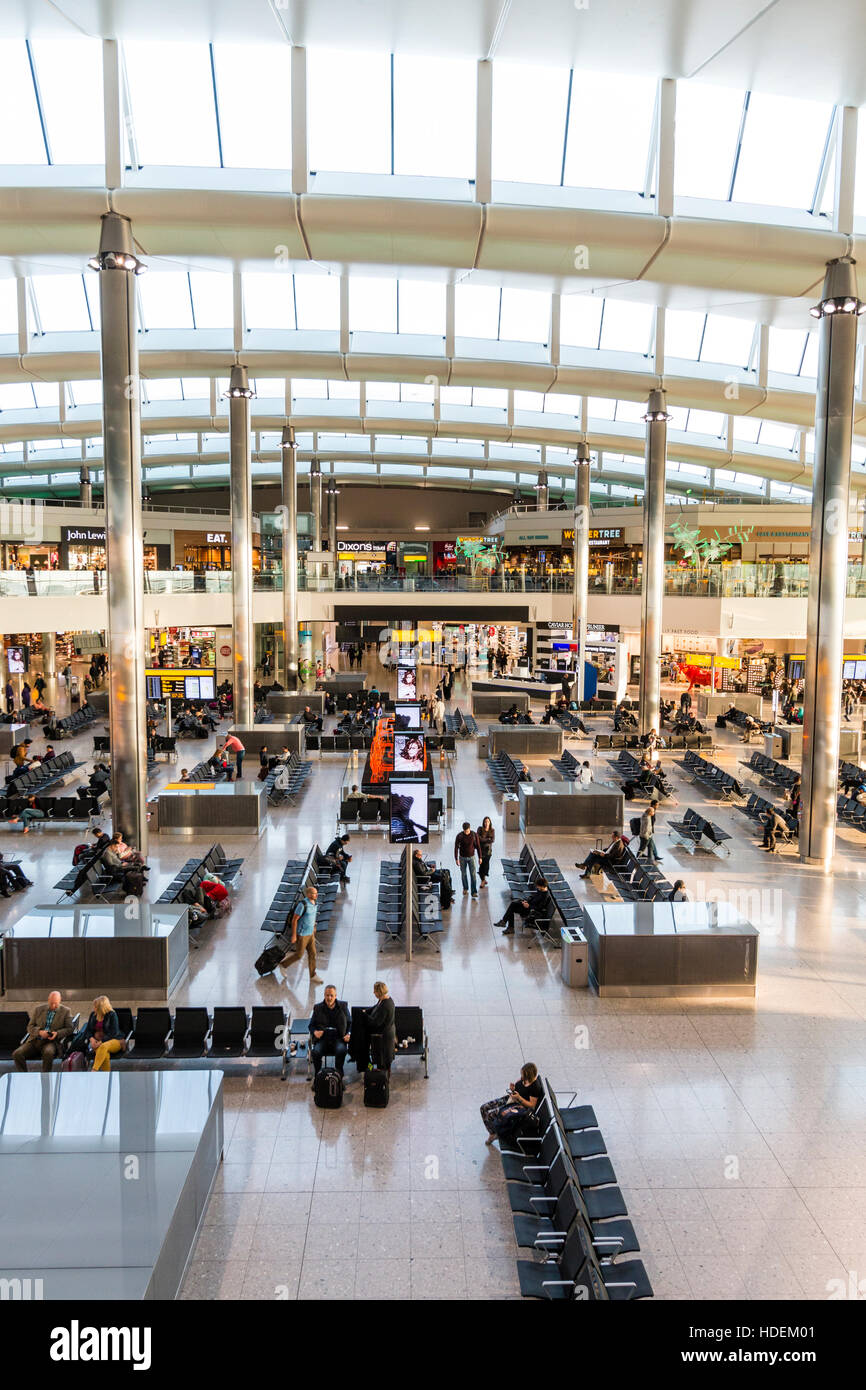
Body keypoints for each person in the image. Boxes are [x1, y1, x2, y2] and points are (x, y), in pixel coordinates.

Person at [483, 1062, 543, 1147]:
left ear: (529, 1075)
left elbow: (532, 1105)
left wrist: (519, 1098)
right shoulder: (523, 1079)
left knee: (491, 1115)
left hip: (518, 1105)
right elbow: (519, 1089)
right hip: (512, 1098)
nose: (521, 1076)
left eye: (523, 1075)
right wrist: (513, 1089)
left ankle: (495, 1133)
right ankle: (493, 1132)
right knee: (484, 1108)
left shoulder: (535, 1087)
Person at [13, 991, 74, 1071]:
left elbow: (70, 1028)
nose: (53, 1005)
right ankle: (24, 1075)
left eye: (55, 1003)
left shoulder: (66, 1011)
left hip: (51, 1042)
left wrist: (57, 1033)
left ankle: (45, 1076)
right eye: (51, 1003)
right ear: (48, 1000)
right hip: (35, 1040)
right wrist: (39, 1032)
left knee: (48, 1053)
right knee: (17, 1054)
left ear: (60, 1001)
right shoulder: (38, 1010)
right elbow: (30, 1027)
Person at [279, 885, 323, 985]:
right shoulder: (302, 905)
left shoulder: (315, 903)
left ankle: (313, 975)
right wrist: (294, 935)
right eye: (313, 893)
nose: (316, 895)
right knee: (299, 955)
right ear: (308, 894)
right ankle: (283, 964)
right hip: (302, 934)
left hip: (310, 933)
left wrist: (314, 926)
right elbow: (294, 920)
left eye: (316, 893)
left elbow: (312, 916)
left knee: (313, 954)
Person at [69, 996, 124, 1072]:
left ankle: (94, 1071)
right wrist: (91, 1040)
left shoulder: (112, 1015)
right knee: (105, 1055)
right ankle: (107, 1076)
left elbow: (113, 1033)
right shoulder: (93, 1015)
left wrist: (100, 1042)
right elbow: (88, 1030)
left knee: (103, 1046)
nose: (93, 1008)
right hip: (97, 1041)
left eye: (95, 1007)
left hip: (115, 1040)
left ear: (101, 1007)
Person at [309, 985, 351, 1080]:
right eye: (327, 995)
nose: (329, 998)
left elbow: (350, 1023)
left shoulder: (343, 1006)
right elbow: (311, 1025)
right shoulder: (318, 1008)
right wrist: (315, 1032)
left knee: (341, 1050)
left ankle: (339, 1077)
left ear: (336, 996)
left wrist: (349, 1034)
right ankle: (318, 1078)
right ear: (324, 995)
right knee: (315, 1052)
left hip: (339, 1038)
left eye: (331, 995)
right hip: (323, 1038)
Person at [365, 981, 396, 1075]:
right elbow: (376, 1007)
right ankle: (376, 1071)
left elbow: (376, 1022)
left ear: (379, 992)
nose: (373, 993)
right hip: (384, 1036)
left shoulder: (385, 1005)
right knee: (381, 1060)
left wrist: (365, 1018)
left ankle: (382, 1078)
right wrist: (366, 1011)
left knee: (382, 1061)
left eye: (375, 991)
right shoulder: (383, 999)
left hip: (384, 1038)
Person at [454, 821, 481, 897]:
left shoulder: (474, 835)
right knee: (463, 874)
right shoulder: (459, 836)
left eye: (467, 830)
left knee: (473, 874)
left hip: (472, 857)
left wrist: (480, 857)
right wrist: (456, 859)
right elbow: (456, 848)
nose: (466, 832)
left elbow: (478, 846)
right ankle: (465, 888)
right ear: (463, 830)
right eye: (465, 831)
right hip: (462, 858)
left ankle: (474, 892)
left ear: (470, 828)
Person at [477, 816, 495, 888]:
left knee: (486, 864)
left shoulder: (492, 830)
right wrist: (488, 839)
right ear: (483, 822)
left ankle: (484, 877)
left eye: (488, 822)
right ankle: (483, 880)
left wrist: (484, 839)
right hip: (481, 850)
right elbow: (478, 838)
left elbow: (492, 840)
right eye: (485, 822)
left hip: (488, 850)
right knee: (482, 864)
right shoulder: (480, 829)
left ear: (490, 822)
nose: (486, 823)